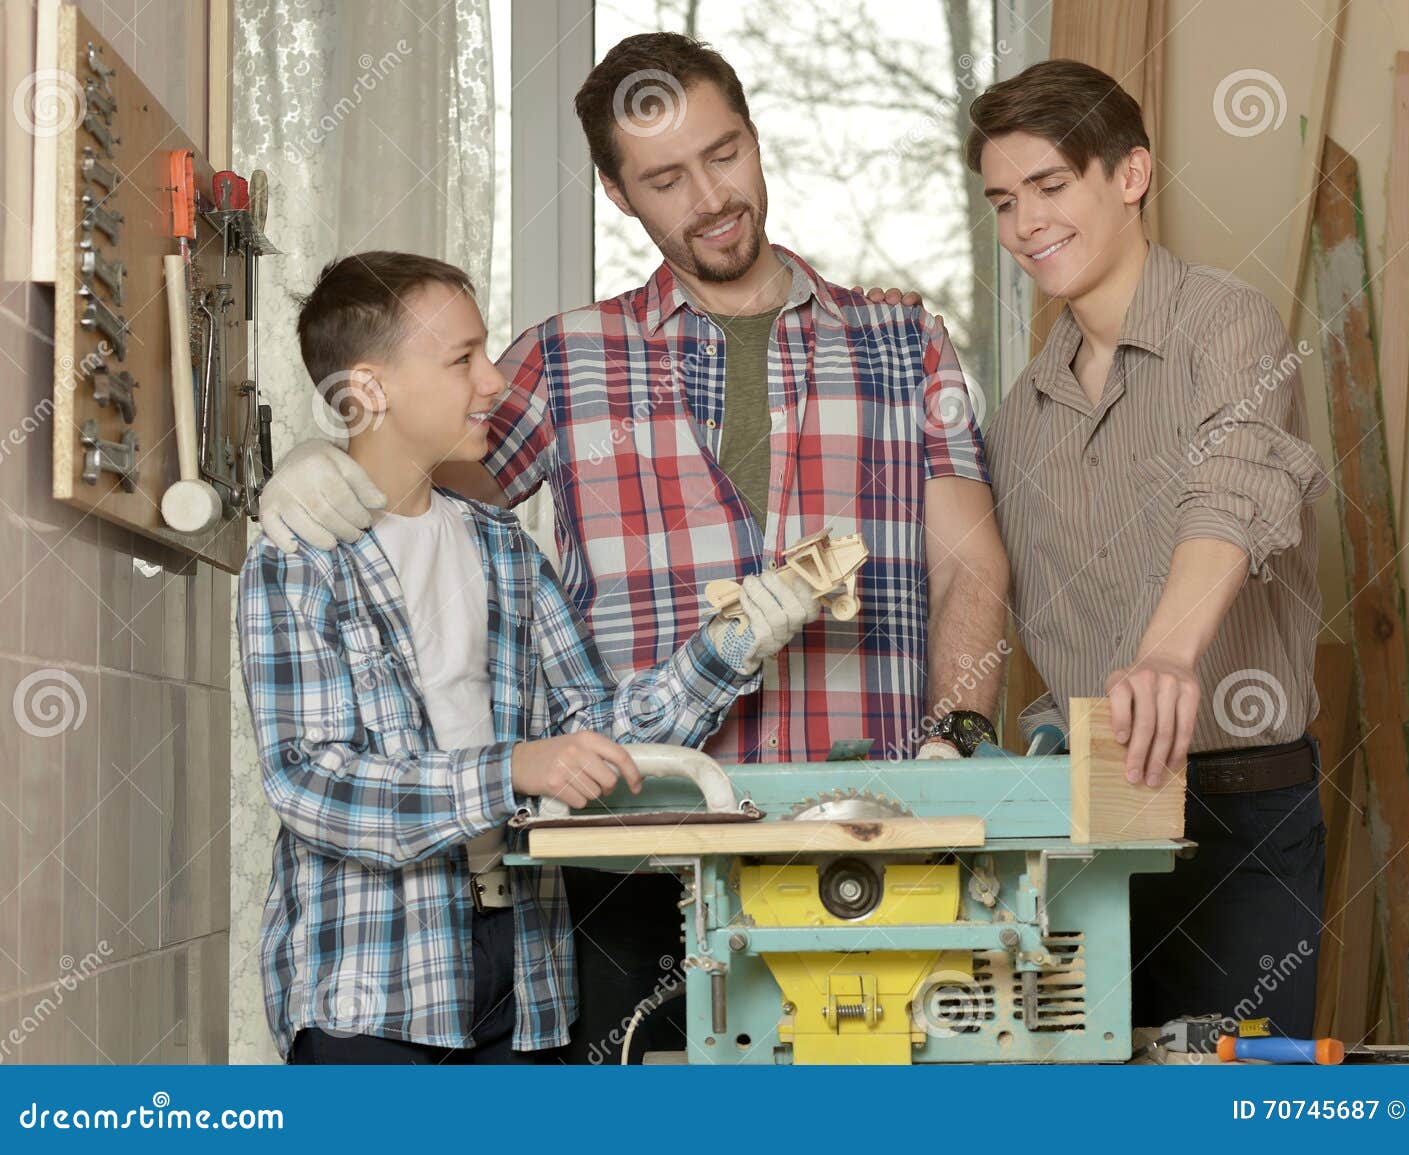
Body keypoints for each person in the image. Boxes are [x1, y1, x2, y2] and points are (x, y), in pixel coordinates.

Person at [253, 32, 1011, 1063]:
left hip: (862, 841)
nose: (708, 196)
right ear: (619, 194)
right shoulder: (562, 362)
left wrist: (957, 736)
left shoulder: (901, 340)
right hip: (635, 866)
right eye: (665, 177)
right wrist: (310, 457)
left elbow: (971, 562)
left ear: (752, 138)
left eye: (723, 153)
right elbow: (406, 481)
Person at [239, 251, 817, 1063]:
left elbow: (594, 728)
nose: (496, 381)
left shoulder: (503, 546)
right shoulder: (297, 558)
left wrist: (732, 645)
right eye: (462, 358)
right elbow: (312, 781)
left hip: (529, 975)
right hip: (371, 983)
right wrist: (513, 768)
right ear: (369, 389)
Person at [967, 60, 1330, 1035]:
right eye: (1003, 201)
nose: (1024, 224)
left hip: (1240, 814)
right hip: (1089, 822)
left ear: (1129, 175)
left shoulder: (1229, 324)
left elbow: (1236, 484)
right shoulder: (1015, 421)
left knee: (1235, 1109)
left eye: (1049, 186)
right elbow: (1013, 609)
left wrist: (1167, 653)